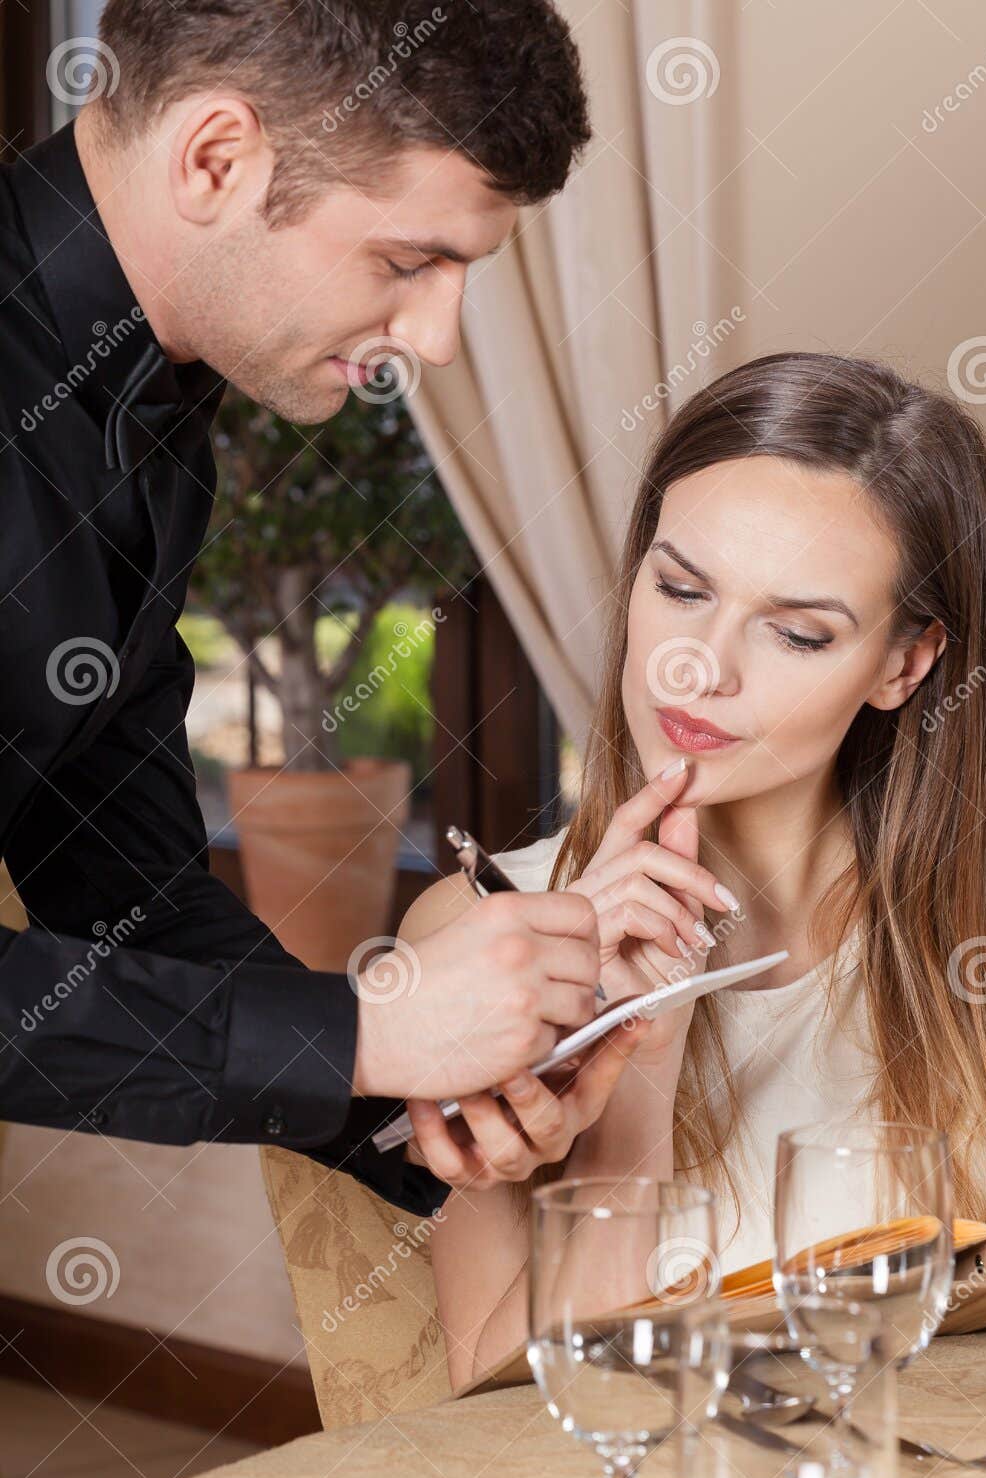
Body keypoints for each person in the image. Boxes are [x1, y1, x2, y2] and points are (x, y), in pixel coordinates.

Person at [0, 0, 641, 1218]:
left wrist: (416, 1101)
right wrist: (362, 1032)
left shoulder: (158, 419)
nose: (436, 340)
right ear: (216, 159)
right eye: (407, 262)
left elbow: (121, 883)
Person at [407, 350, 986, 1387]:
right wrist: (634, 1084)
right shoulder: (481, 929)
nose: (696, 668)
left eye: (796, 632)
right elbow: (498, 1407)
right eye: (677, 588)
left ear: (903, 663)